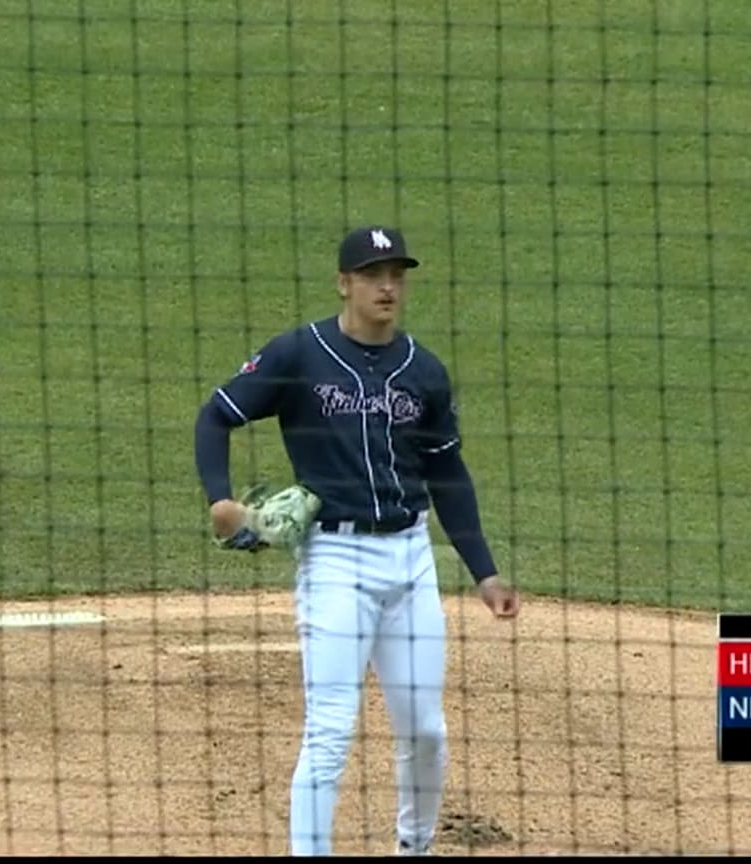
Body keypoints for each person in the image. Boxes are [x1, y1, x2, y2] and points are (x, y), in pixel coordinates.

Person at [192, 225, 520, 856]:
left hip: (411, 561)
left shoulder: (424, 371)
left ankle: (414, 847)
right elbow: (216, 415)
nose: (387, 287)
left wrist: (484, 571)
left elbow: (448, 475)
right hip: (335, 561)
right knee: (330, 731)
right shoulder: (299, 355)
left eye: (396, 275)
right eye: (372, 275)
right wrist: (220, 500)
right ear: (344, 283)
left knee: (426, 732)